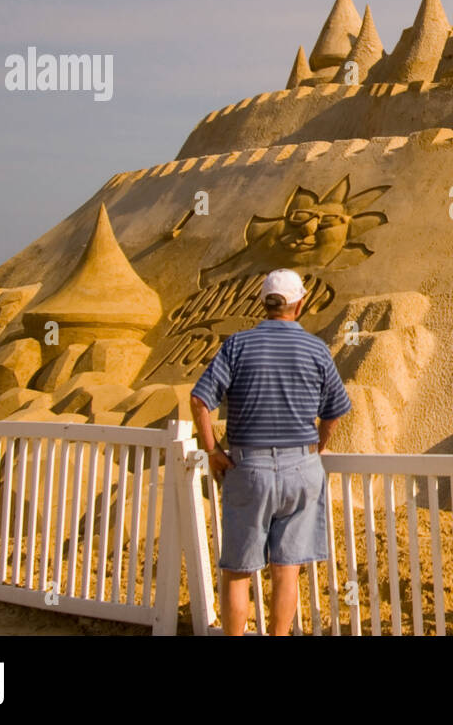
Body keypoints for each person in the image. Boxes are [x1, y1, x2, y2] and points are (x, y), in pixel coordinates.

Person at [189, 268, 351, 635]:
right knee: (287, 569)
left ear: (263, 303)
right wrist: (318, 446)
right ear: (300, 303)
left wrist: (212, 450)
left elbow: (200, 399)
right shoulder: (317, 349)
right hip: (302, 468)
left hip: (249, 468)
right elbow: (336, 410)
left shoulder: (237, 345)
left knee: (238, 570)